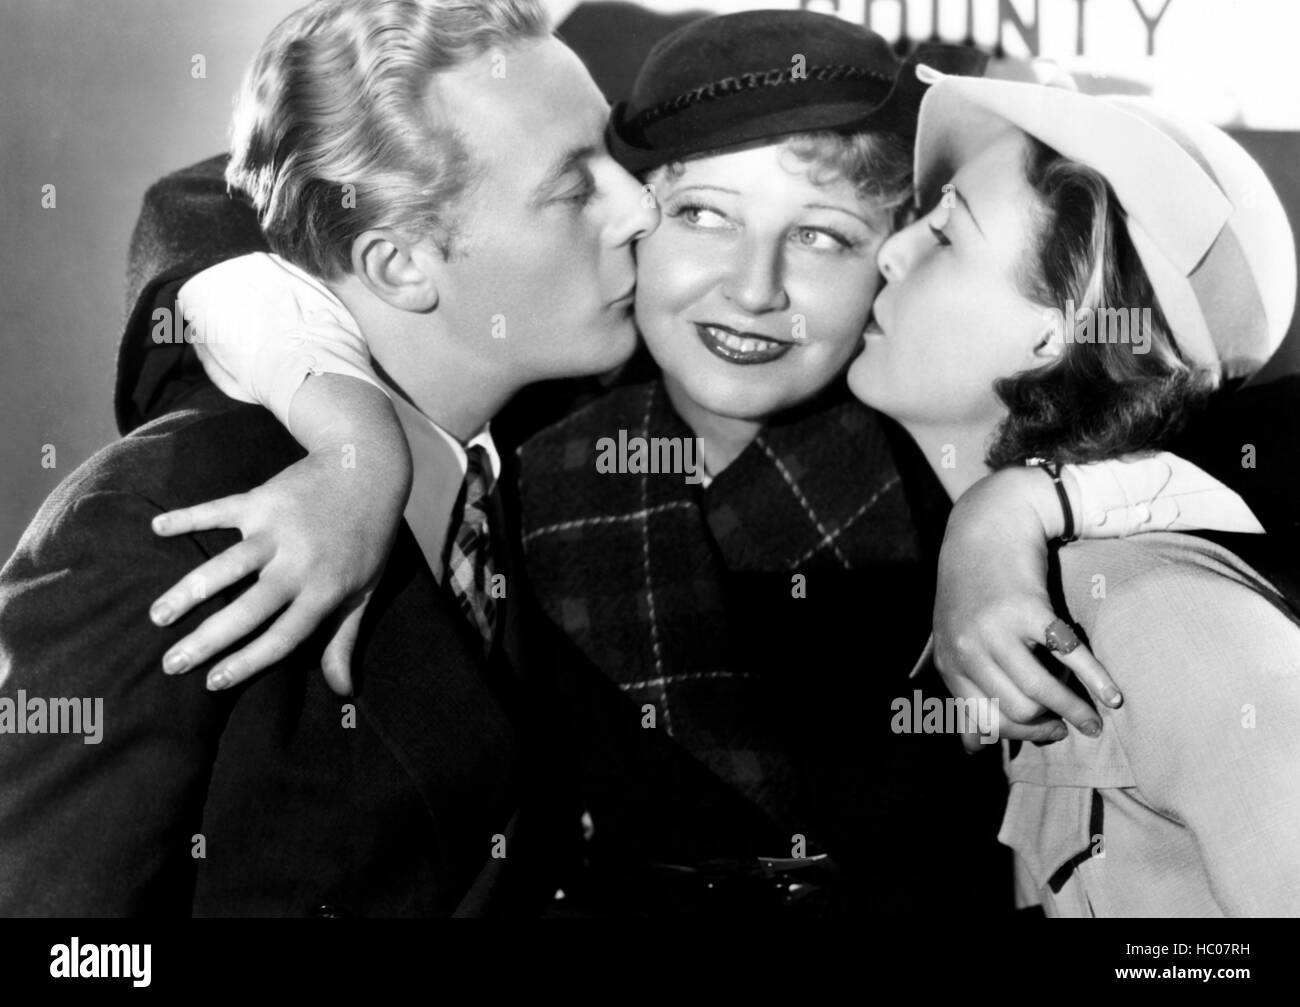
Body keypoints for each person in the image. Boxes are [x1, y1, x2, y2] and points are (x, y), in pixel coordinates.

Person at [133, 11, 1299, 913]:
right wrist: (350, 433)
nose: (752, 291)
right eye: (701, 217)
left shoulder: (942, 431)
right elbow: (212, 203)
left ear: (894, 253)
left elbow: (1204, 430)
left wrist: (1023, 500)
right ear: (617, 207)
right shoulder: (512, 442)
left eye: (826, 237)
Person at [0, 0, 659, 915]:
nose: (641, 205)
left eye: (615, 161)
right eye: (575, 187)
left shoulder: (532, 456)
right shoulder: (160, 526)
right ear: (397, 266)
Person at [847, 65, 1300, 915]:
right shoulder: (1026, 590)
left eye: (946, 237)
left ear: (1059, 329)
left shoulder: (1169, 619)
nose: (891, 249)